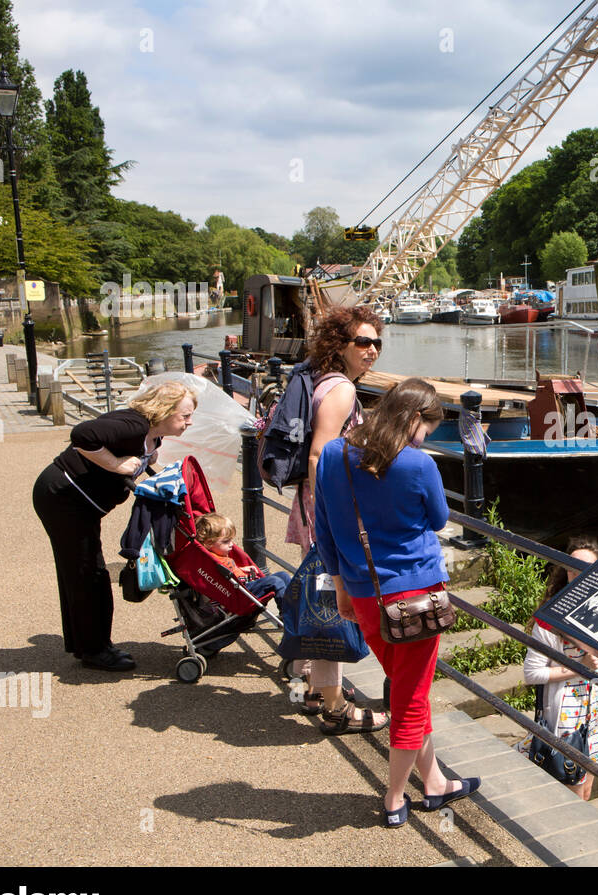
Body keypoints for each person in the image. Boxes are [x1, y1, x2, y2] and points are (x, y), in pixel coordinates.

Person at [315, 377, 477, 827]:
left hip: (365, 594)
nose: (427, 436)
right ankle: (394, 798)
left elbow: (323, 528)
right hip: (416, 598)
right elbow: (440, 518)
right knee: (409, 699)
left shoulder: (334, 455)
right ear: (411, 418)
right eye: (428, 426)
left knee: (409, 687)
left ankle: (437, 781)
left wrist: (343, 585)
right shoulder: (418, 465)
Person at [32, 381, 197, 671]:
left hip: (76, 501)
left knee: (77, 572)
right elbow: (81, 435)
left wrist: (148, 459)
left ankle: (85, 644)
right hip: (62, 497)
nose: (189, 422)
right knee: (88, 572)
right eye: (184, 415)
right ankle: (96, 650)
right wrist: (116, 464)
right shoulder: (133, 426)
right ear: (164, 410)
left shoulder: (153, 436)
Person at [285, 305, 382, 728]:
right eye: (363, 342)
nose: (372, 349)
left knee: (320, 595)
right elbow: (320, 454)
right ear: (340, 344)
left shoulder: (320, 379)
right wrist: (327, 519)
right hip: (326, 507)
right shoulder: (341, 389)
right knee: (332, 603)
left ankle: (309, 688)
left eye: (377, 342)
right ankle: (336, 708)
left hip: (317, 504)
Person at [524, 536, 598, 801]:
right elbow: (532, 673)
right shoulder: (550, 618)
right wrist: (580, 668)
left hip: (595, 706)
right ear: (565, 571)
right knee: (572, 785)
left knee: (587, 780)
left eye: (586, 569)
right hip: (567, 714)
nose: (578, 575)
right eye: (572, 568)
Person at [194, 513, 292, 608]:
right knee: (275, 581)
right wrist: (246, 576)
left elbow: (231, 571)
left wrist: (242, 569)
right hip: (238, 595)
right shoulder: (213, 561)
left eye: (231, 540)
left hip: (241, 588)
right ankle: (287, 615)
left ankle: (295, 608)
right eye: (226, 541)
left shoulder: (219, 555)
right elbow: (224, 582)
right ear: (209, 543)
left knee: (283, 575)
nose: (231, 544)